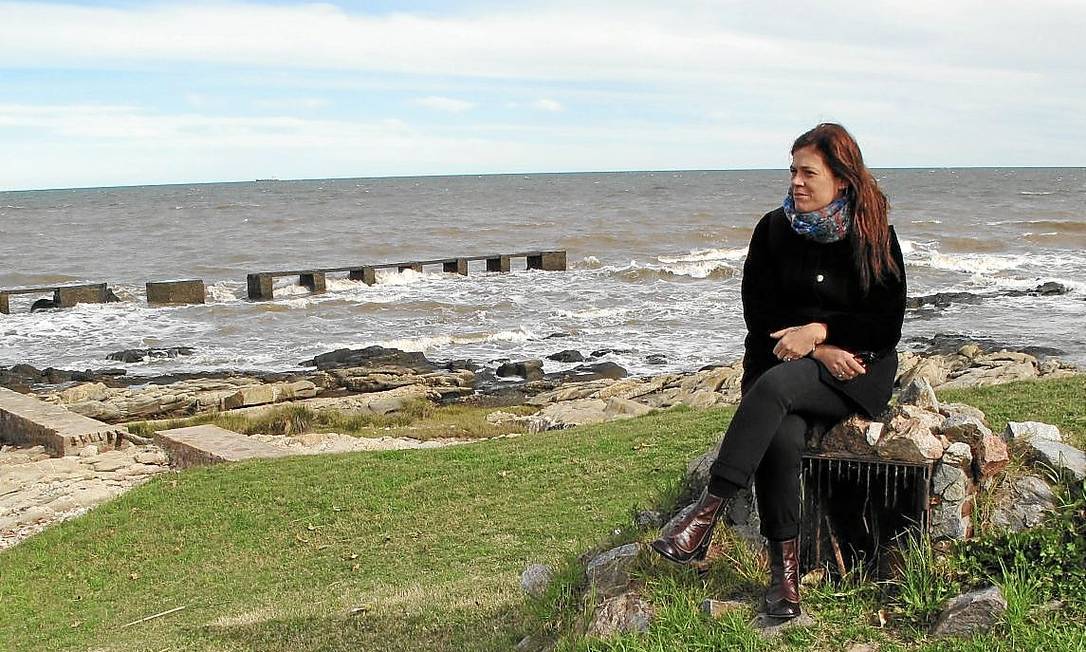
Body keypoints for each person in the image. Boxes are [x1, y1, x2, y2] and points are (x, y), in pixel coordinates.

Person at [650, 123, 907, 619]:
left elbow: (884, 324)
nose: (796, 182)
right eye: (792, 171)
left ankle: (704, 515)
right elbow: (761, 316)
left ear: (842, 178)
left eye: (809, 173)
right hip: (781, 364)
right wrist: (817, 349)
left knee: (774, 390)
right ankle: (784, 580)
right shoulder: (772, 230)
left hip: (856, 372)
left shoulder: (874, 235)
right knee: (782, 435)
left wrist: (820, 332)